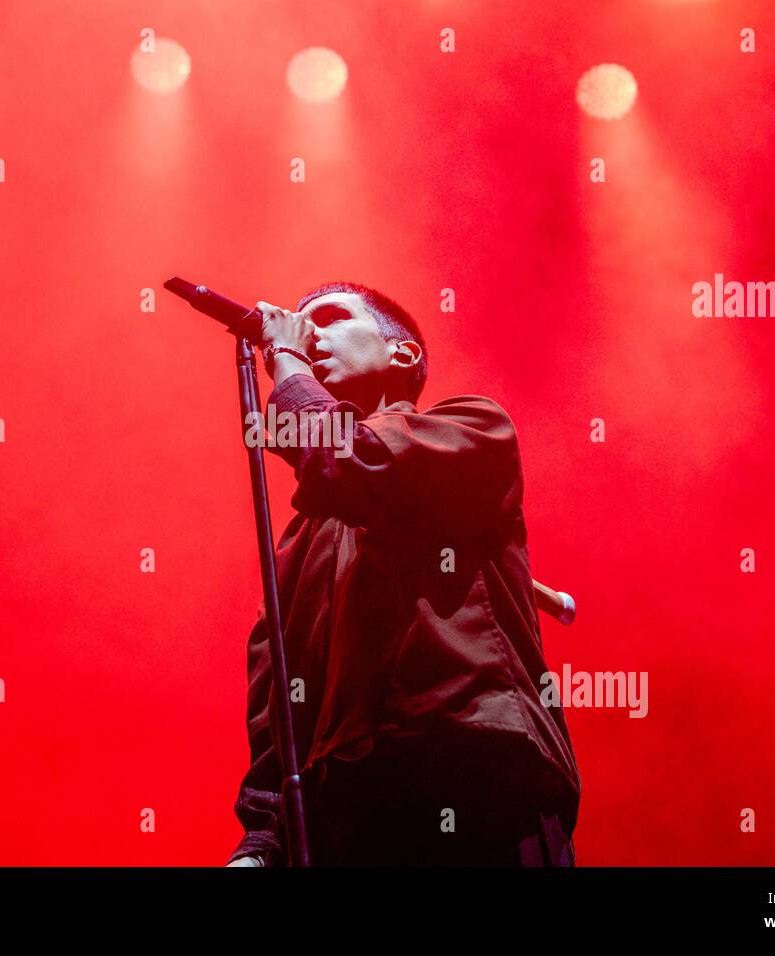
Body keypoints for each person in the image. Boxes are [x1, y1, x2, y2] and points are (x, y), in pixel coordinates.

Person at [224, 281, 580, 867]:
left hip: (476, 778)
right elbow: (278, 711)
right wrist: (262, 838)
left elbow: (343, 461)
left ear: (404, 354)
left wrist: (286, 361)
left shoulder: (471, 428)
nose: (309, 334)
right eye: (302, 326)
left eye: (333, 318)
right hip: (345, 820)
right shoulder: (294, 547)